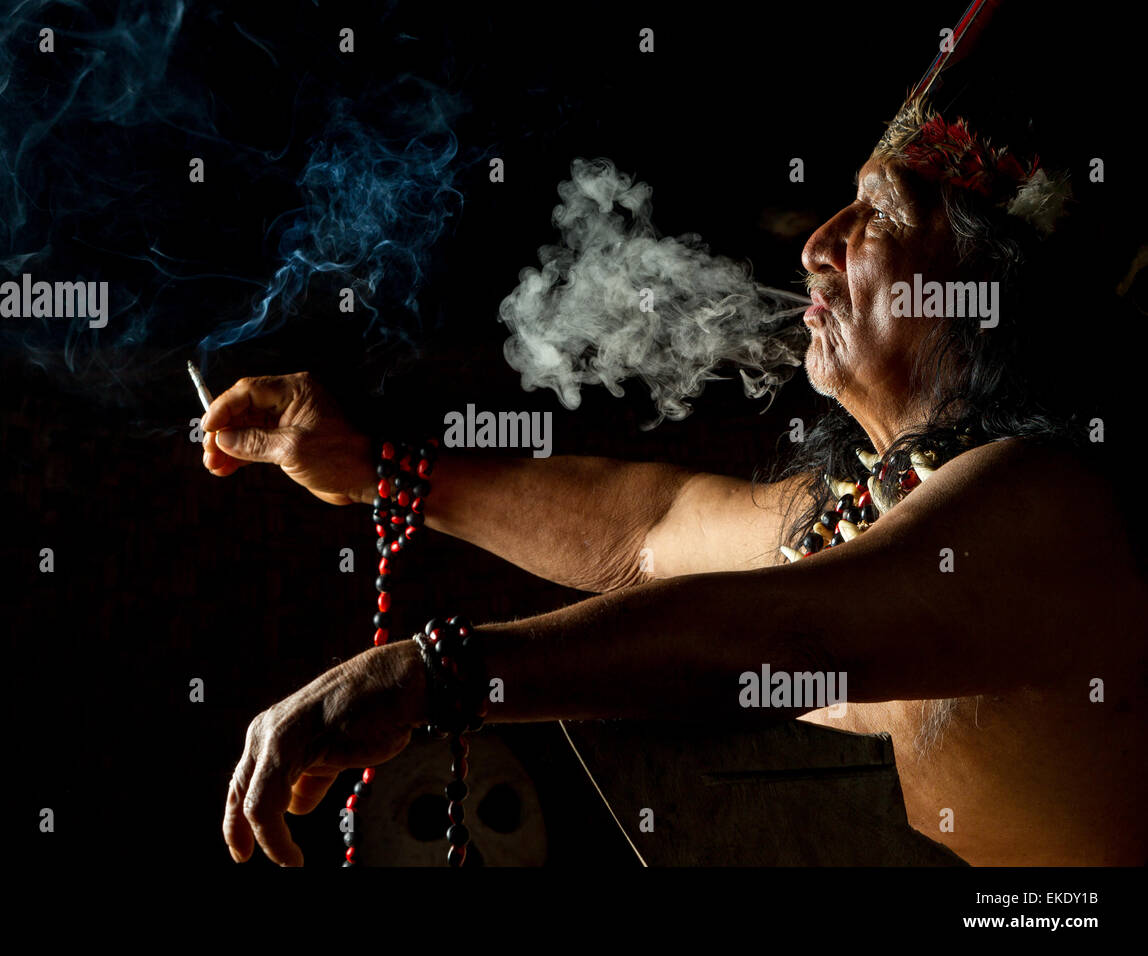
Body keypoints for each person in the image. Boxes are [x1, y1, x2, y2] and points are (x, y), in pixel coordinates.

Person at [198, 9, 1145, 866]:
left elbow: (766, 634)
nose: (819, 241)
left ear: (995, 296)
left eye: (884, 213)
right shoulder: (885, 514)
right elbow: (649, 535)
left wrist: (432, 672)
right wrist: (376, 468)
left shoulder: (1050, 505)